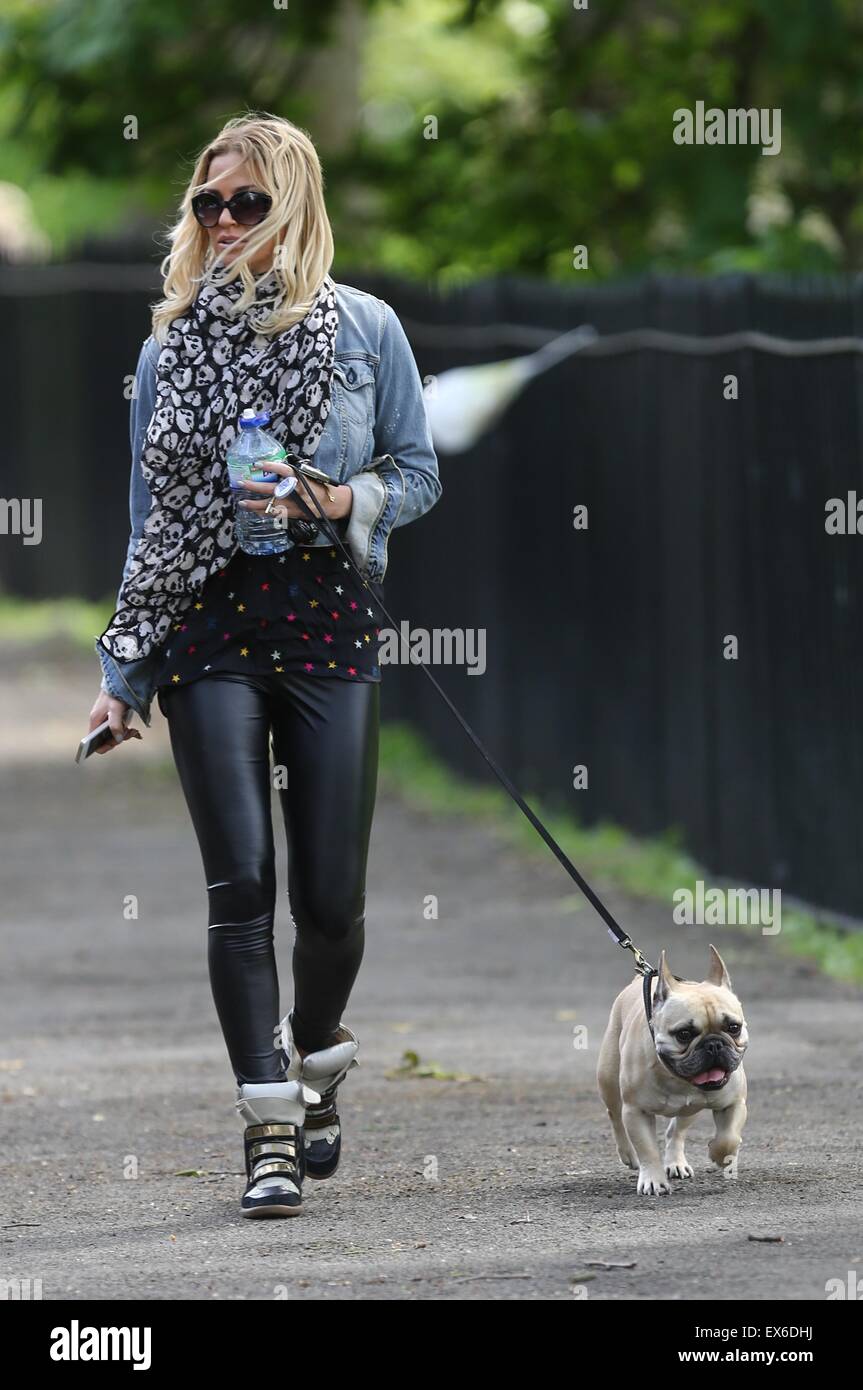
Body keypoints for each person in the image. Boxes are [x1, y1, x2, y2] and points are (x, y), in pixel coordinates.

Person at [88, 111, 442, 1218]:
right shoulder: (168, 346)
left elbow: (418, 470)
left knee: (330, 898)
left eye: (248, 201)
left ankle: (320, 1047)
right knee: (241, 883)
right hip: (206, 627)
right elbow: (150, 522)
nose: (227, 221)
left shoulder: (365, 330)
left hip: (326, 614)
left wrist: (337, 497)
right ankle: (269, 1124)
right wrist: (124, 674)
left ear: (292, 206)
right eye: (210, 203)